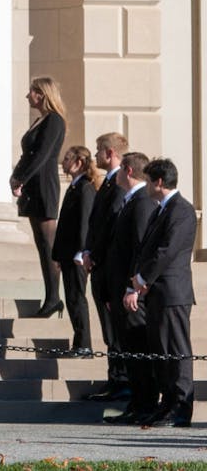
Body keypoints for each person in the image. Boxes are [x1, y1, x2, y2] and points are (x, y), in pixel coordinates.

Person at [128, 158, 197, 428]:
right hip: (157, 294)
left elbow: (166, 251)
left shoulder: (181, 210)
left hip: (172, 293)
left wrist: (142, 278)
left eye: (148, 181)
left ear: (159, 182)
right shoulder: (161, 210)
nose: (145, 186)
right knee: (161, 353)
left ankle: (180, 408)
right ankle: (167, 404)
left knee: (176, 352)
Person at [102, 152, 157, 425]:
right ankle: (137, 403)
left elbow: (139, 248)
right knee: (130, 351)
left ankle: (145, 404)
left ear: (127, 169)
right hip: (120, 290)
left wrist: (130, 287)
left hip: (132, 293)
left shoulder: (141, 201)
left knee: (138, 351)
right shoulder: (131, 199)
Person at [9, 76, 66, 318]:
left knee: (49, 244)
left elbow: (41, 155)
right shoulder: (40, 120)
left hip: (44, 183)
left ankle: (53, 297)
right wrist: (16, 176)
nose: (27, 96)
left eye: (31, 92)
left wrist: (21, 178)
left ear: (42, 94)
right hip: (34, 183)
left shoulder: (54, 120)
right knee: (41, 244)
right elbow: (29, 154)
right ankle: (51, 296)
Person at [81, 132, 130, 402]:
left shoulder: (119, 184)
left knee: (115, 329)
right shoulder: (108, 183)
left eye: (99, 149)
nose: (95, 154)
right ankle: (115, 378)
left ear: (110, 153)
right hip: (101, 266)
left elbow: (110, 223)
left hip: (110, 267)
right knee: (108, 330)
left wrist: (93, 253)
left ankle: (122, 380)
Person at [51, 146, 97, 355]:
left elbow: (86, 222)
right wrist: (59, 254)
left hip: (77, 255)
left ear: (79, 162)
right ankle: (79, 342)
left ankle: (84, 344)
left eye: (68, 158)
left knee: (77, 298)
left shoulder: (86, 188)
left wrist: (82, 251)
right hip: (68, 254)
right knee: (71, 298)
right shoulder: (74, 187)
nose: (64, 161)